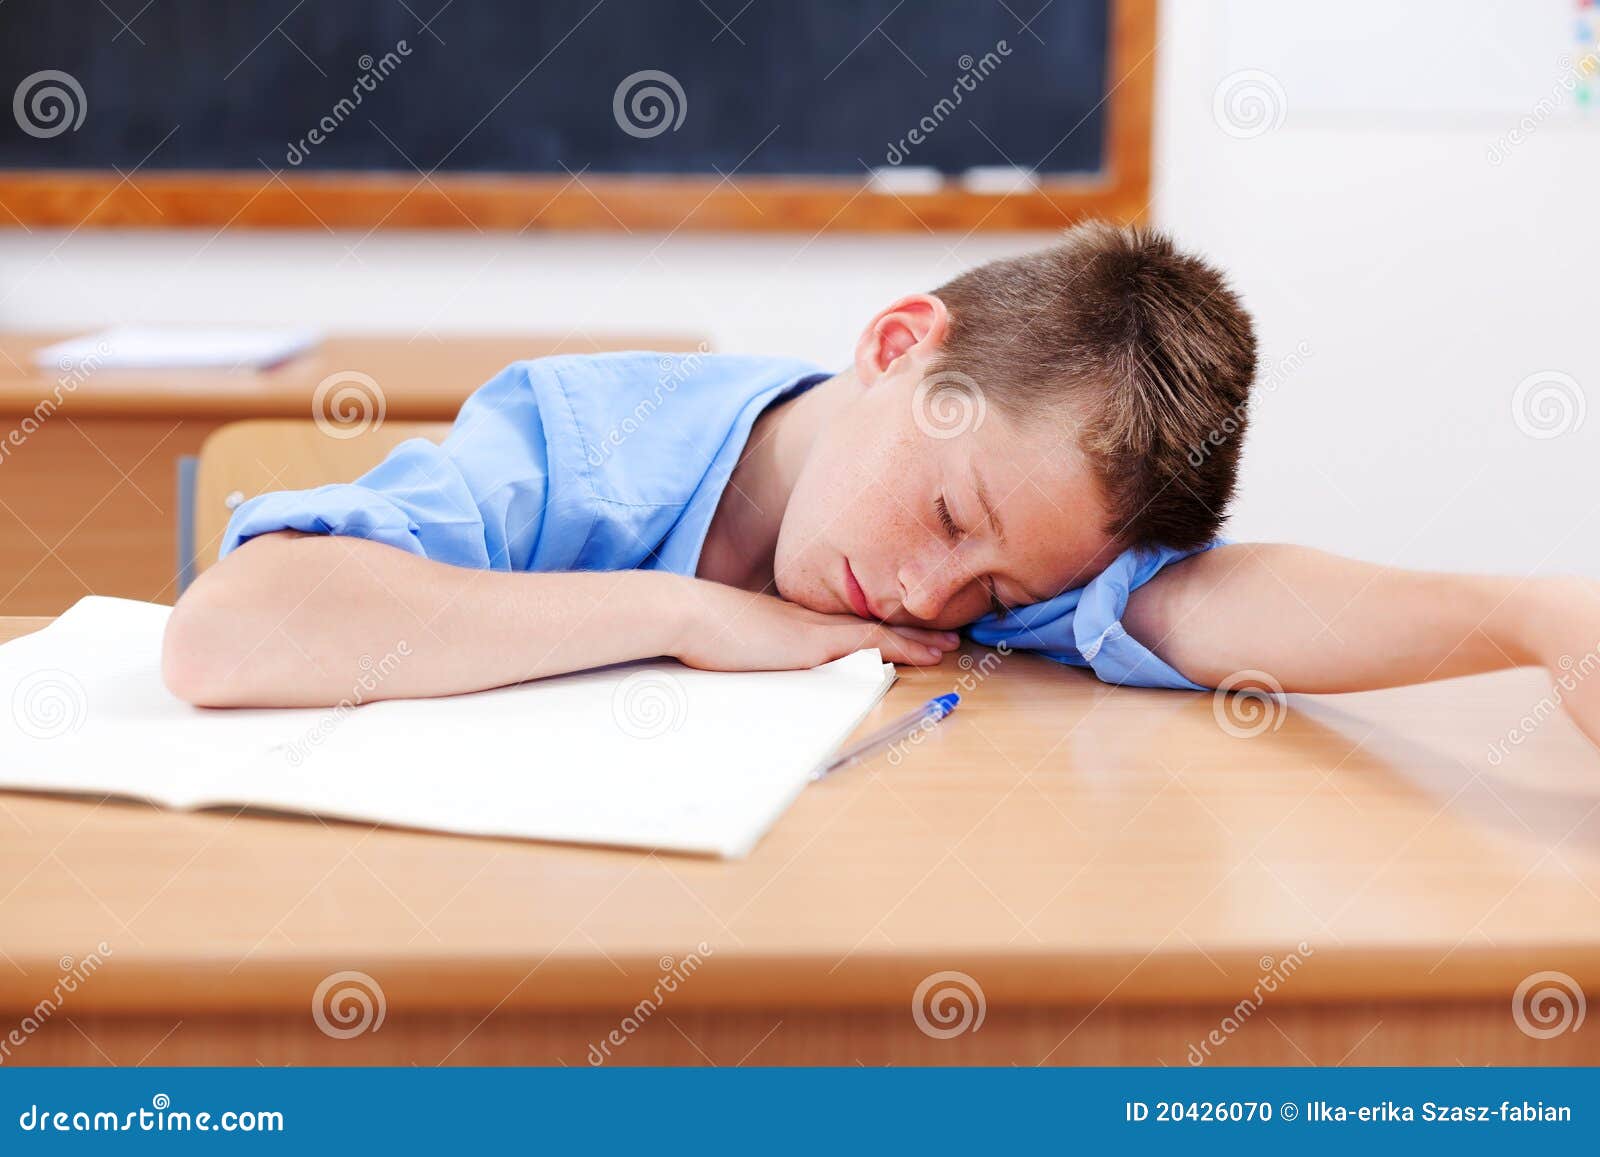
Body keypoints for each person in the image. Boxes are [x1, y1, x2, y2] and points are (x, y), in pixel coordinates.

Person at [160, 223, 1600, 754]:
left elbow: (1210, 608)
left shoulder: (998, 551)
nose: (926, 599)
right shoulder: (586, 436)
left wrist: (1531, 610)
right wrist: (689, 614)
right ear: (903, 348)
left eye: (994, 593)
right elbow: (235, 632)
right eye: (951, 519)